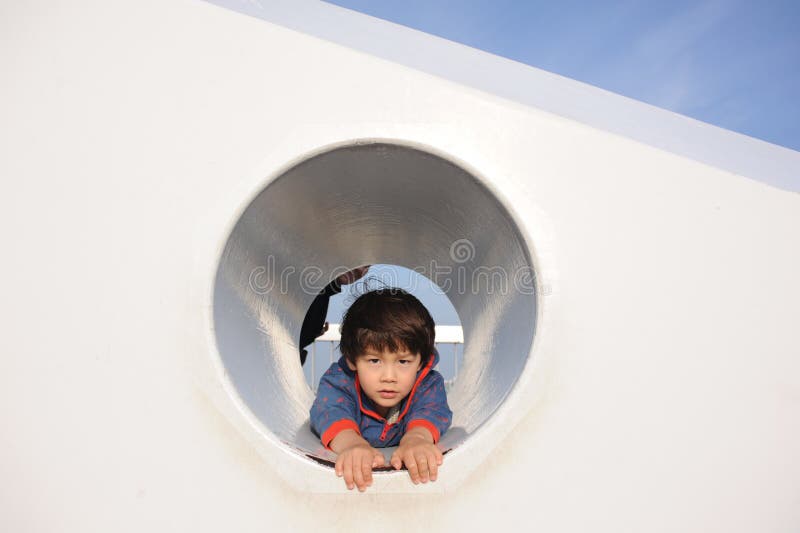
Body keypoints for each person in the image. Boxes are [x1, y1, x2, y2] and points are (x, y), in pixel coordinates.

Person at [309, 287, 452, 492]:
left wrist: (416, 439)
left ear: (421, 362)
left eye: (403, 361)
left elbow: (432, 410)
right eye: (374, 361)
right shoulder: (339, 382)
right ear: (352, 359)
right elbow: (329, 411)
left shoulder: (427, 384)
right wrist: (352, 445)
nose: (389, 377)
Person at [299, 265, 370, 365]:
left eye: (367, 267)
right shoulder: (309, 284)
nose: (360, 270)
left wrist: (314, 330)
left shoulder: (322, 292)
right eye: (361, 262)